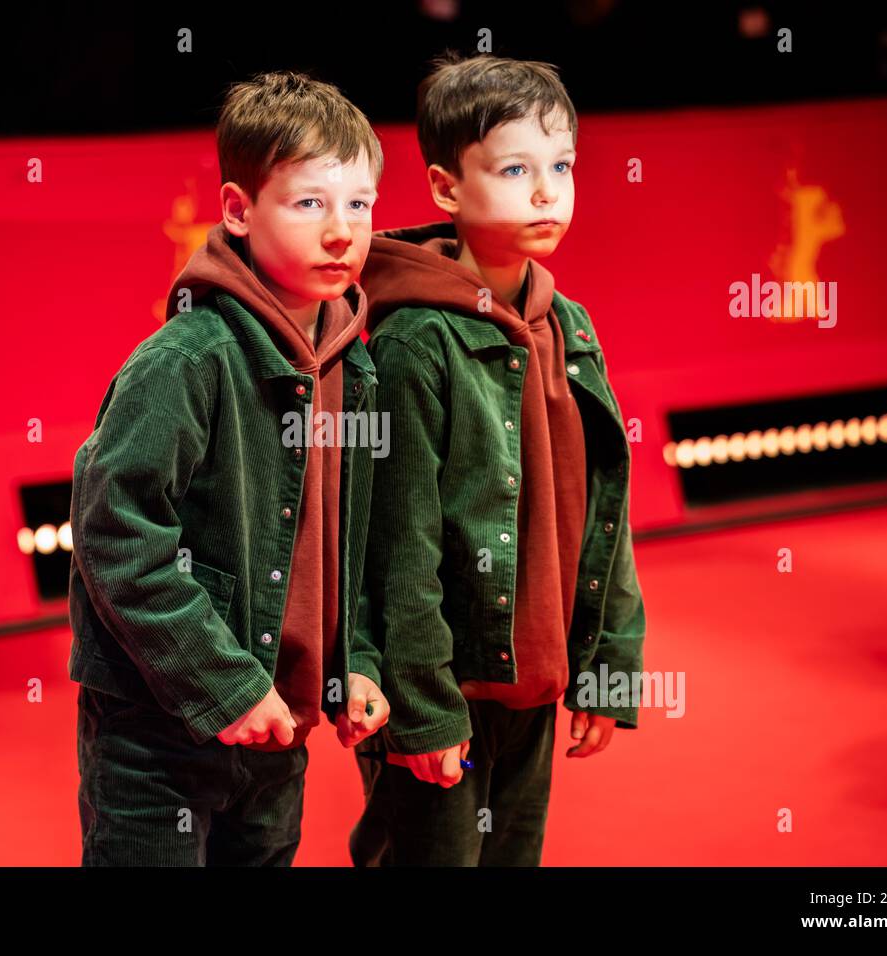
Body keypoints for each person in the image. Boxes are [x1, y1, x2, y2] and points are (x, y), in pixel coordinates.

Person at [69, 71, 389, 866]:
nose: (343, 231)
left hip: (282, 733)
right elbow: (115, 535)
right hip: (161, 737)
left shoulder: (357, 367)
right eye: (310, 203)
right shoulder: (186, 359)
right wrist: (223, 683)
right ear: (239, 211)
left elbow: (346, 551)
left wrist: (359, 668)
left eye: (360, 204)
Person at [350, 52, 647, 866]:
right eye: (516, 169)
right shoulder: (417, 340)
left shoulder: (569, 325)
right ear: (447, 189)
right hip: (446, 690)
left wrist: (608, 673)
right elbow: (398, 547)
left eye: (562, 166)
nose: (547, 191)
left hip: (535, 687)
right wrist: (421, 712)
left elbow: (606, 511)